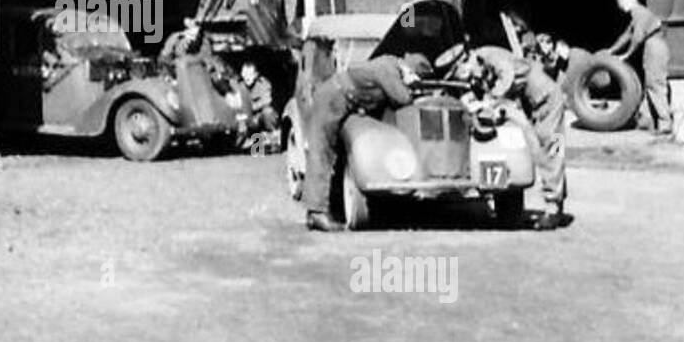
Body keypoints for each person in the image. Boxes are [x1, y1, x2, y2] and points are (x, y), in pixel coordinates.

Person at [444, 41, 568, 230]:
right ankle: (555, 204)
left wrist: (489, 101)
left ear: (466, 60)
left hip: (550, 102)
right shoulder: (482, 63)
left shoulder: (490, 56)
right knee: (543, 152)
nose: (465, 77)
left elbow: (507, 77)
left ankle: (553, 210)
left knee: (552, 150)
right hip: (536, 106)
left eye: (461, 71)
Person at [302, 52, 429, 231]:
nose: (410, 82)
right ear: (409, 70)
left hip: (338, 98)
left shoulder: (389, 64)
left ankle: (318, 210)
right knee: (321, 152)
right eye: (413, 78)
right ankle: (317, 213)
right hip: (332, 99)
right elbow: (402, 97)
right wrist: (412, 91)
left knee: (330, 153)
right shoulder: (387, 69)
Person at [608, 0, 672, 135]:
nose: (619, 4)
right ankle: (645, 120)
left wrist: (626, 55)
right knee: (649, 83)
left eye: (621, 0)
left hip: (655, 45)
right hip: (651, 45)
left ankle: (665, 123)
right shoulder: (636, 15)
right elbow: (627, 35)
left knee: (655, 83)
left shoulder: (640, 13)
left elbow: (637, 36)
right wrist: (611, 50)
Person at [238, 59, 278, 150]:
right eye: (245, 74)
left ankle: (272, 137)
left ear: (256, 75)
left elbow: (267, 100)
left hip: (259, 117)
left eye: (250, 74)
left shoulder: (263, 84)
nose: (247, 77)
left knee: (268, 111)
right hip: (246, 119)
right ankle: (243, 140)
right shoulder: (239, 87)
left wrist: (250, 107)